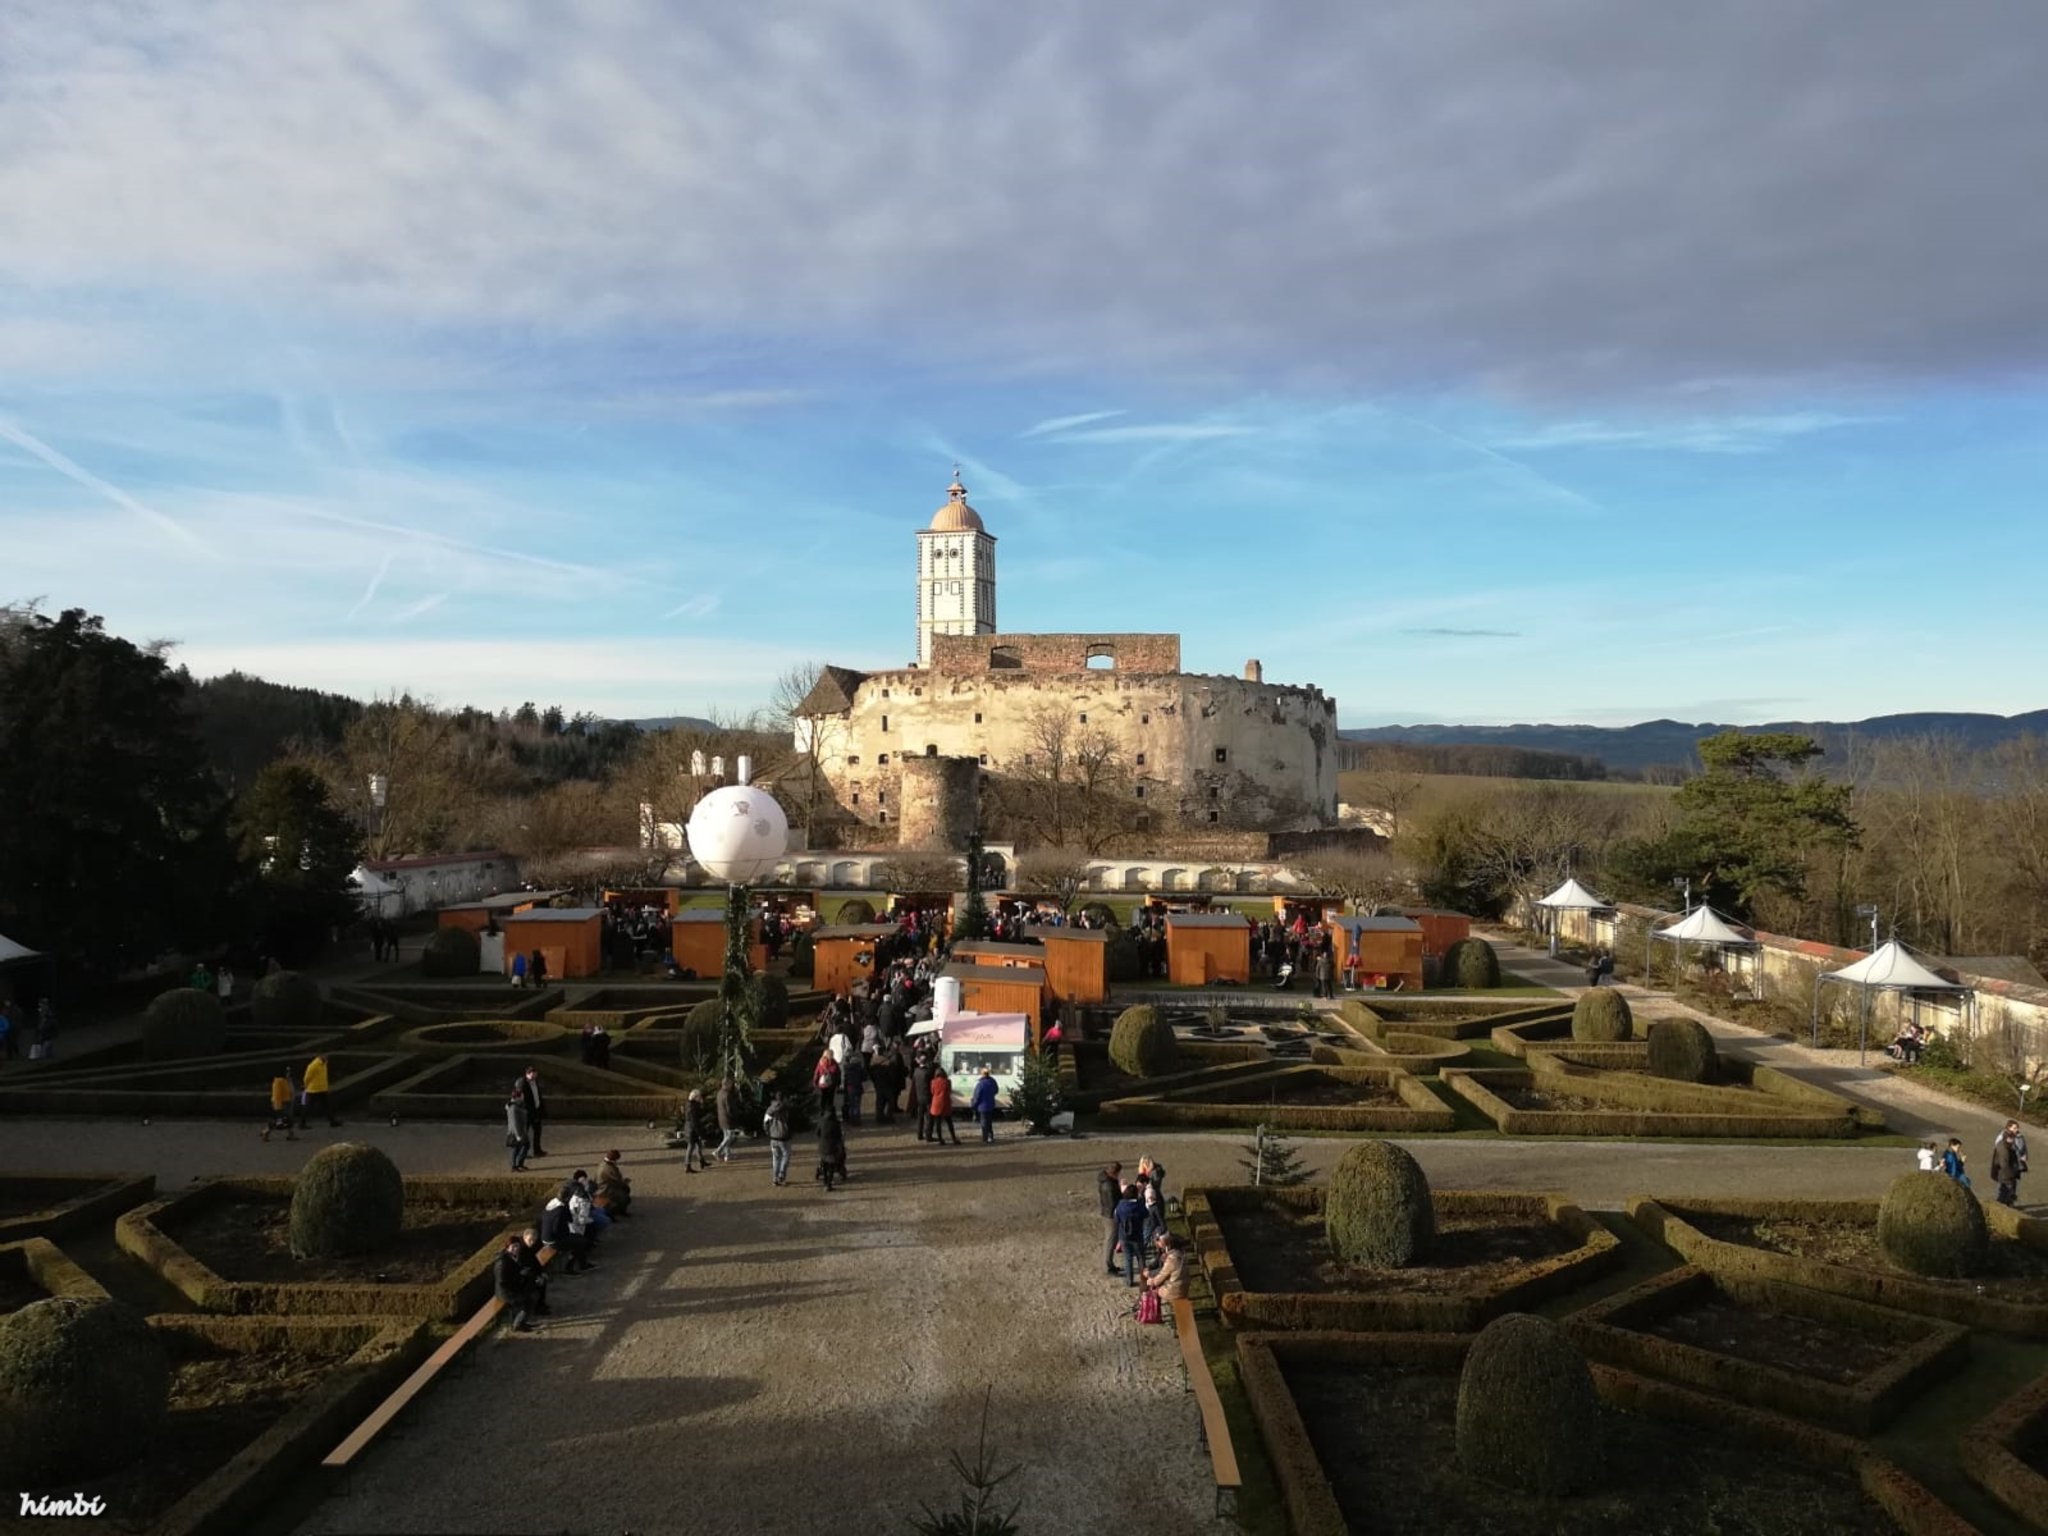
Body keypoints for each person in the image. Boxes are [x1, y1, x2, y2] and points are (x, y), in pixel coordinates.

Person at [539, 1183, 596, 1272]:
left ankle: (580, 1264)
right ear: (567, 1198)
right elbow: (562, 1224)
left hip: (545, 1237)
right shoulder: (561, 1210)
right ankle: (570, 1268)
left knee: (577, 1239)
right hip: (554, 1240)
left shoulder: (552, 1202)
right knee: (581, 1241)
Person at [493, 1236, 541, 1332]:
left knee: (533, 1294)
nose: (516, 1249)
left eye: (517, 1246)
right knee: (528, 1300)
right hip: (505, 1292)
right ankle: (517, 1324)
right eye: (513, 1247)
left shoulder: (512, 1257)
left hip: (512, 1287)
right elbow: (502, 1282)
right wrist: (518, 1281)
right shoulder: (502, 1262)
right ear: (507, 1247)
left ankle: (521, 1322)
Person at [1139, 1235, 1188, 1320]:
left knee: (1155, 1289)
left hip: (1173, 1289)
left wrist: (1151, 1281)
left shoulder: (1172, 1259)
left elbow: (1162, 1275)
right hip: (1184, 1286)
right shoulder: (1182, 1255)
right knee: (1156, 1285)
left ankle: (1153, 1314)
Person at [1113, 1183, 1147, 1286]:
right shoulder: (1139, 1205)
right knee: (1141, 1257)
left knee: (1127, 1258)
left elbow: (1116, 1219)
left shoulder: (1120, 1205)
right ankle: (1143, 1279)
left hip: (1124, 1235)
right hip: (1137, 1235)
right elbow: (1146, 1214)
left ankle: (1129, 1280)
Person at [1098, 1162, 1125, 1276]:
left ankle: (1109, 1264)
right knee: (1110, 1241)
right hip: (1110, 1215)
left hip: (1107, 1213)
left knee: (1110, 1240)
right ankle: (1108, 1267)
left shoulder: (1107, 1181)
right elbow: (1113, 1202)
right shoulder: (1108, 1185)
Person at [1992, 1122, 2027, 1207]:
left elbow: (2023, 1148)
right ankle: (2002, 1207)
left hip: (2013, 1168)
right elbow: (2004, 1163)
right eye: (2014, 1128)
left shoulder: (2018, 1138)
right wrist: (2010, 1175)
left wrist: (2024, 1157)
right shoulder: (2003, 1147)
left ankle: (2009, 1203)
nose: (2017, 1130)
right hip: (2006, 1173)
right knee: (2004, 1191)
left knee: (2011, 1188)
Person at [299, 1053, 338, 1128]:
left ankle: (332, 1121)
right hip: (313, 1090)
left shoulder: (324, 1063)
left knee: (327, 1106)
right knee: (307, 1107)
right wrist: (306, 1085)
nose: (327, 1057)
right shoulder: (313, 1065)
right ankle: (302, 1123)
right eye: (325, 1055)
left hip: (322, 1088)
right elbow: (307, 1077)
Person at [261, 1067, 298, 1142]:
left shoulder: (287, 1080)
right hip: (282, 1104)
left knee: (289, 1120)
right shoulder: (278, 1081)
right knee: (279, 1121)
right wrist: (278, 1108)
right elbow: (277, 1096)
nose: (288, 1074)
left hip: (287, 1102)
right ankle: (266, 1132)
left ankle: (291, 1135)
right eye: (287, 1072)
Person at [816, 1103, 847, 1192]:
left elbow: (817, 1133)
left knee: (824, 1164)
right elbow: (839, 1136)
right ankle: (829, 1184)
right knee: (831, 1166)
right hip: (832, 1147)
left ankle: (825, 1181)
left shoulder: (821, 1121)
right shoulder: (835, 1123)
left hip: (822, 1146)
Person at [764, 1090, 792, 1186]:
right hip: (784, 1136)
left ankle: (775, 1178)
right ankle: (781, 1175)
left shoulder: (769, 1109)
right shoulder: (785, 1109)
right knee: (786, 1155)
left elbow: (765, 1122)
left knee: (776, 1158)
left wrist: (768, 1132)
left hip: (773, 1137)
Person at [928, 1064, 960, 1145]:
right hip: (945, 1103)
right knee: (949, 1122)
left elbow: (932, 1092)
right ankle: (954, 1138)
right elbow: (949, 1091)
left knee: (938, 1123)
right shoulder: (947, 1081)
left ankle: (940, 1140)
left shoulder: (933, 1082)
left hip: (936, 1103)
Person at [520, 1067, 547, 1158]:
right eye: (534, 1074)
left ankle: (537, 1150)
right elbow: (524, 1100)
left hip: (536, 1110)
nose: (535, 1076)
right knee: (524, 1133)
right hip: (527, 1113)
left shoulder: (535, 1082)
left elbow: (538, 1096)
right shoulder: (523, 1084)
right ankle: (523, 1152)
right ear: (529, 1073)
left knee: (537, 1131)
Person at [597, 1150, 632, 1216]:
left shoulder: (602, 1164)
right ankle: (617, 1211)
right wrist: (625, 1182)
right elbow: (617, 1180)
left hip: (602, 1186)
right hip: (606, 1189)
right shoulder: (609, 1168)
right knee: (625, 1196)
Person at [970, 1065, 999, 1143]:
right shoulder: (992, 1081)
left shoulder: (980, 1084)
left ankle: (985, 1138)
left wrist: (973, 1105)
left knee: (983, 1122)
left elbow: (977, 1096)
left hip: (982, 1106)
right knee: (989, 1122)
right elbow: (996, 1090)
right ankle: (991, 1136)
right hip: (991, 1104)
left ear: (982, 1074)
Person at [504, 1086, 531, 1171]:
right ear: (517, 1097)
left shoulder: (517, 1105)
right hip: (516, 1132)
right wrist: (518, 1135)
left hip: (521, 1131)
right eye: (521, 1096)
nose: (523, 1098)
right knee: (516, 1148)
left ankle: (519, 1164)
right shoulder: (513, 1108)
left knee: (524, 1146)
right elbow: (514, 1122)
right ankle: (514, 1165)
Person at [714, 1077, 738, 1163]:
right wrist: (734, 1116)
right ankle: (718, 1151)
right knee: (729, 1137)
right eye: (731, 1084)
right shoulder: (727, 1095)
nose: (732, 1086)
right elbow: (729, 1109)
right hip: (727, 1118)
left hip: (721, 1118)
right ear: (727, 1084)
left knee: (726, 1136)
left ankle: (727, 1155)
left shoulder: (719, 1093)